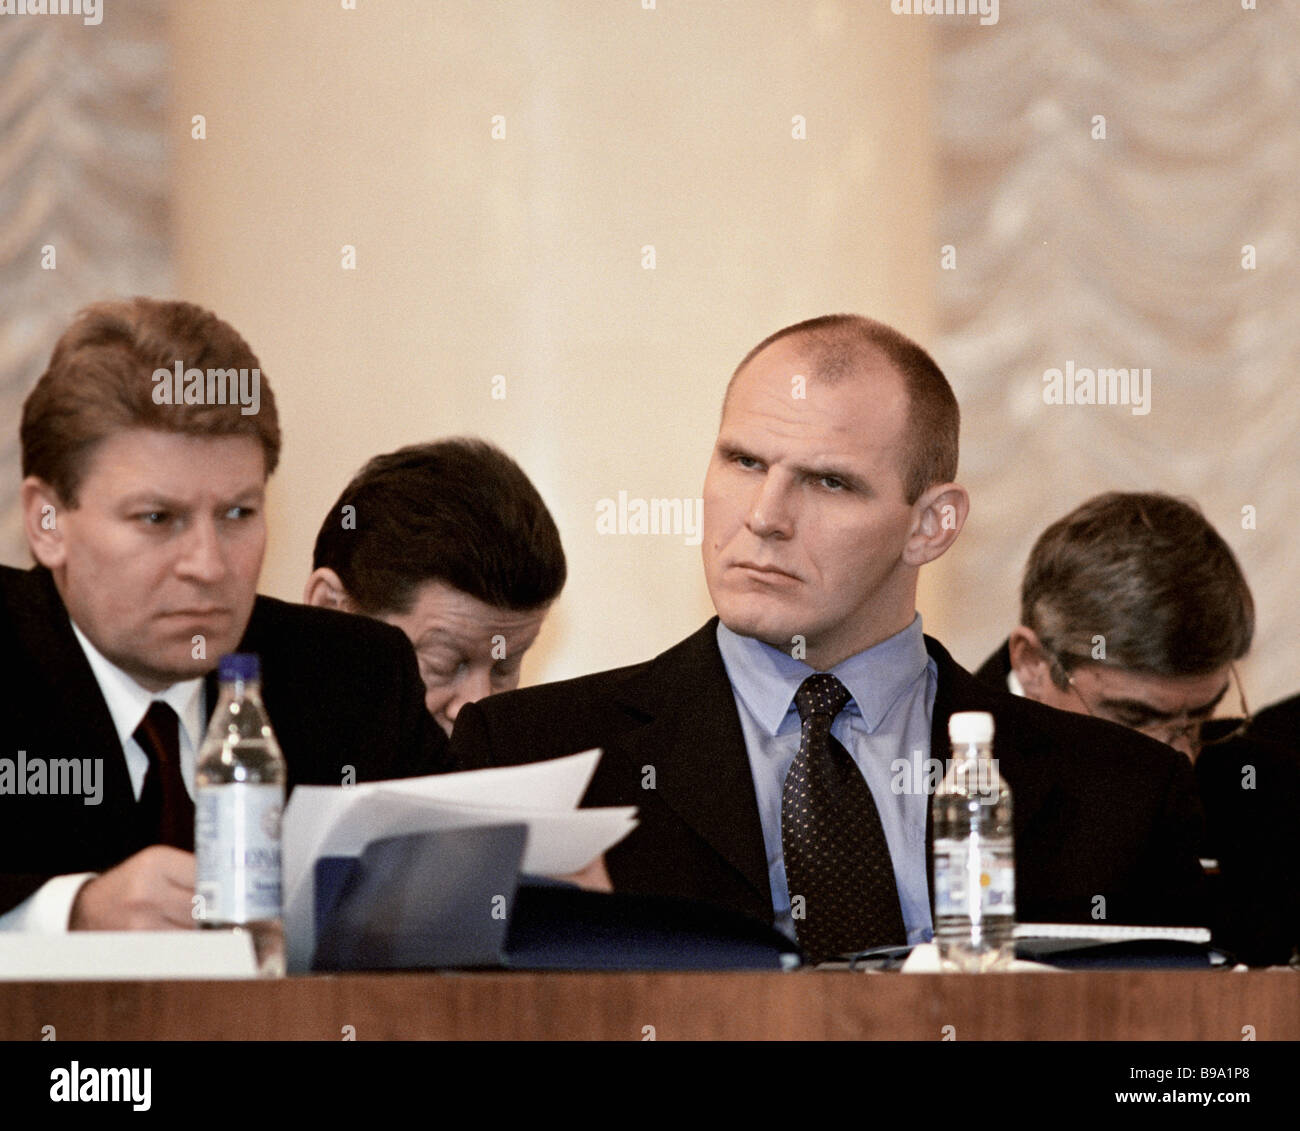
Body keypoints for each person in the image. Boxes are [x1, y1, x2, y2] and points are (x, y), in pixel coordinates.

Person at [449, 313, 1207, 961]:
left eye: (828, 481)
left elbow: (1176, 1065)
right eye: (744, 461)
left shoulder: (1122, 791)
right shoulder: (530, 757)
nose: (766, 516)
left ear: (930, 524)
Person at [0, 298, 450, 932]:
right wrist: (70, 913)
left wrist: (541, 899)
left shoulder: (356, 680)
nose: (209, 565)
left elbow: (456, 896)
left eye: (238, 514)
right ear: (47, 522)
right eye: (158, 518)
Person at [974, 492, 1299, 963]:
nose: (1180, 758)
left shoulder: (1265, 787)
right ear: (1033, 663)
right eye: (1134, 718)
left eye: (1199, 717)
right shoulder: (928, 767)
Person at [304, 439, 566, 736]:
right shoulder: (251, 763)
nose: (476, 707)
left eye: (504, 669)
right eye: (443, 664)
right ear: (331, 611)